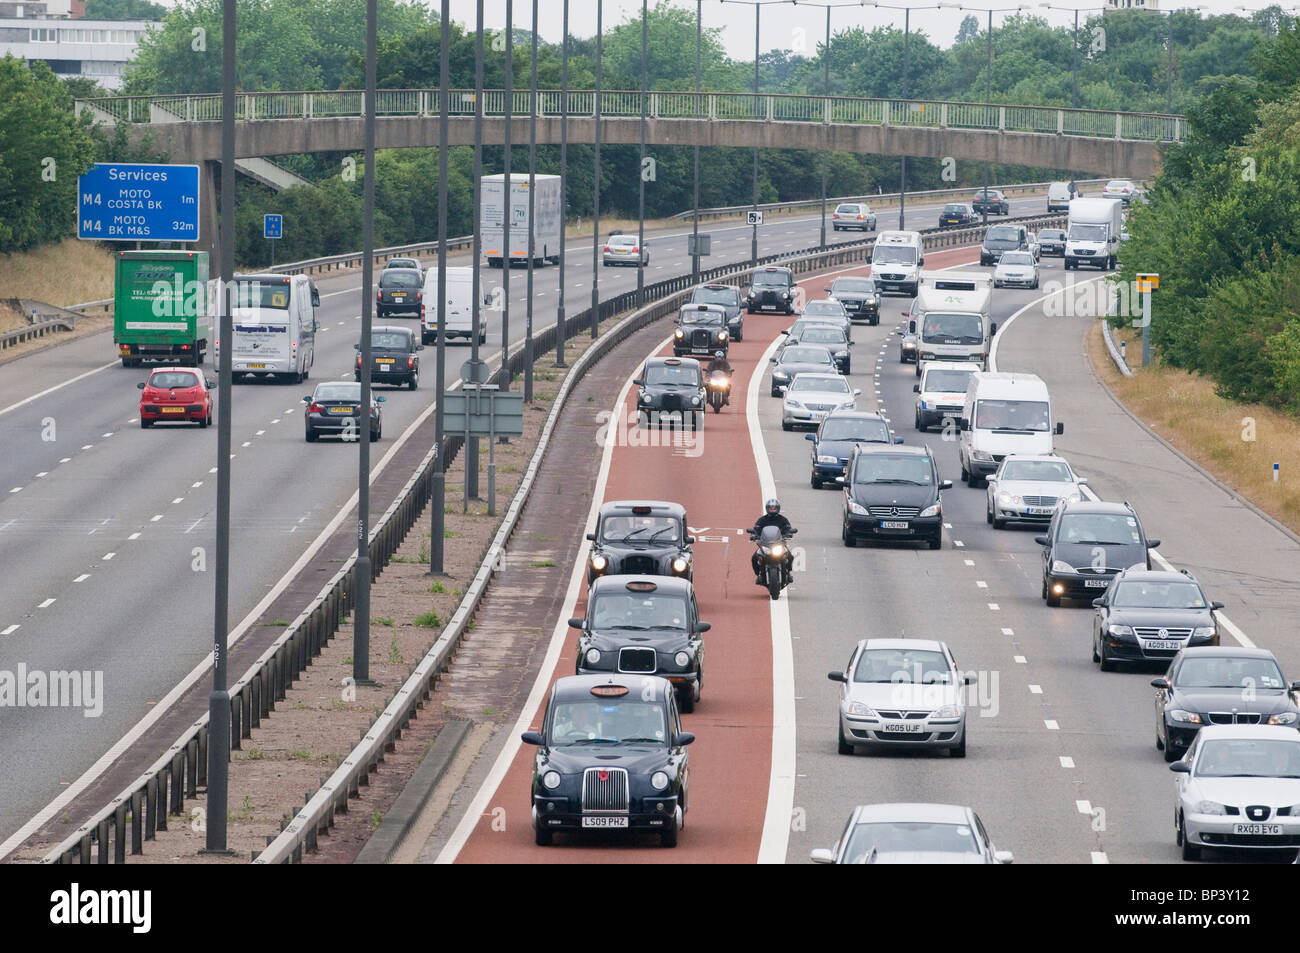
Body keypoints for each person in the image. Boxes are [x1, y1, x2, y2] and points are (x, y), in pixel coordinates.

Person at [751, 498, 795, 585]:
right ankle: (758, 575)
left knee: (790, 556)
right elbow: (756, 529)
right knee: (754, 558)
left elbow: (788, 528)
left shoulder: (783, 519)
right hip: (765, 544)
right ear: (767, 508)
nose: (772, 509)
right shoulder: (762, 520)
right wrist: (754, 534)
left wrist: (789, 533)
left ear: (778, 508)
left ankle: (788, 573)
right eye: (770, 508)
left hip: (779, 543)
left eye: (774, 508)